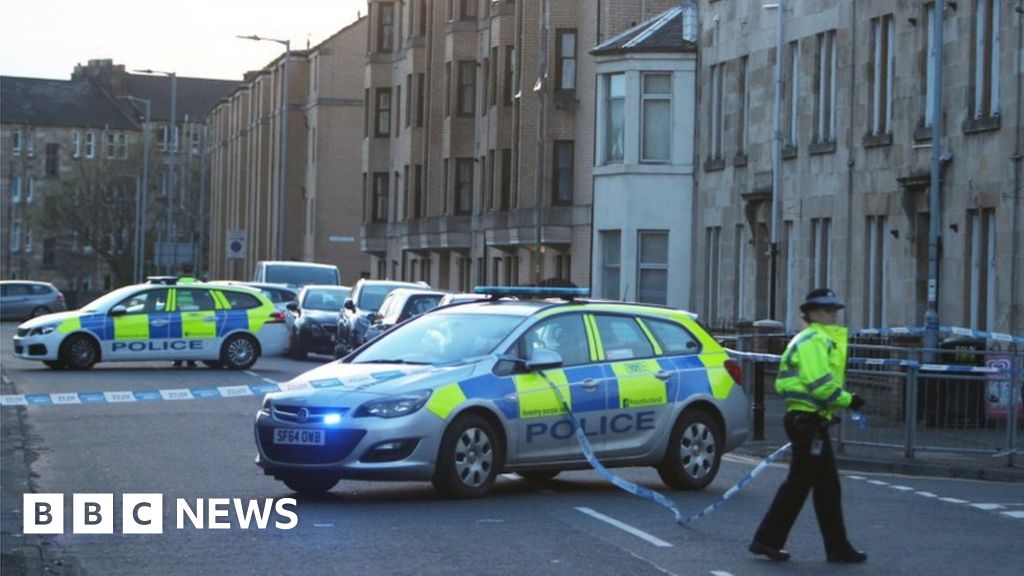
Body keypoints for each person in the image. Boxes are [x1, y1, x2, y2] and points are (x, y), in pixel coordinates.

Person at [749, 288, 868, 564]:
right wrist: (851, 401)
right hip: (807, 423)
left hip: (810, 422)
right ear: (812, 313)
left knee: (819, 486)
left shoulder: (816, 338)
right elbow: (820, 385)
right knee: (806, 485)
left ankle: (828, 547)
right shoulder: (814, 340)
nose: (833, 314)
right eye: (827, 310)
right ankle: (771, 540)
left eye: (834, 310)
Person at [173, 264, 198, 368]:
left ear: (182, 271)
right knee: (191, 337)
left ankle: (177, 361)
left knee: (178, 337)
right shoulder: (196, 282)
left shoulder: (177, 282)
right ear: (192, 272)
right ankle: (191, 361)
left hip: (179, 312)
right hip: (192, 313)